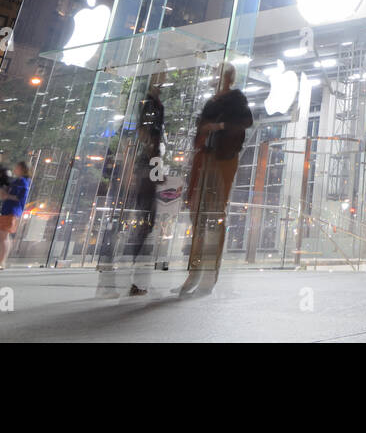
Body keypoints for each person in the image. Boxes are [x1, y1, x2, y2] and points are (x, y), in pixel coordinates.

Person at [178, 64, 252, 297]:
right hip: (205, 158)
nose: (214, 77)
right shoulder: (211, 102)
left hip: (222, 159)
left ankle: (209, 273)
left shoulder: (236, 100)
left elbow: (244, 123)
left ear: (228, 78)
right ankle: (195, 272)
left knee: (214, 215)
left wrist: (218, 126)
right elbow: (200, 129)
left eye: (219, 73)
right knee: (198, 215)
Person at [96, 81, 166, 298]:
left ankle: (128, 282)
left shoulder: (154, 112)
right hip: (135, 178)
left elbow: (152, 145)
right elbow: (132, 141)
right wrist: (129, 173)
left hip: (144, 178)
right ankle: (112, 283)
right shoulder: (139, 117)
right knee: (122, 228)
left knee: (142, 228)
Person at [0, 162, 31, 270]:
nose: (15, 168)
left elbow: (21, 197)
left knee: (3, 237)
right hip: (9, 210)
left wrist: (6, 195)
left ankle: (0, 262)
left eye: (17, 167)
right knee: (4, 237)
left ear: (22, 169)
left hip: (11, 210)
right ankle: (0, 262)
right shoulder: (19, 181)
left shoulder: (22, 182)